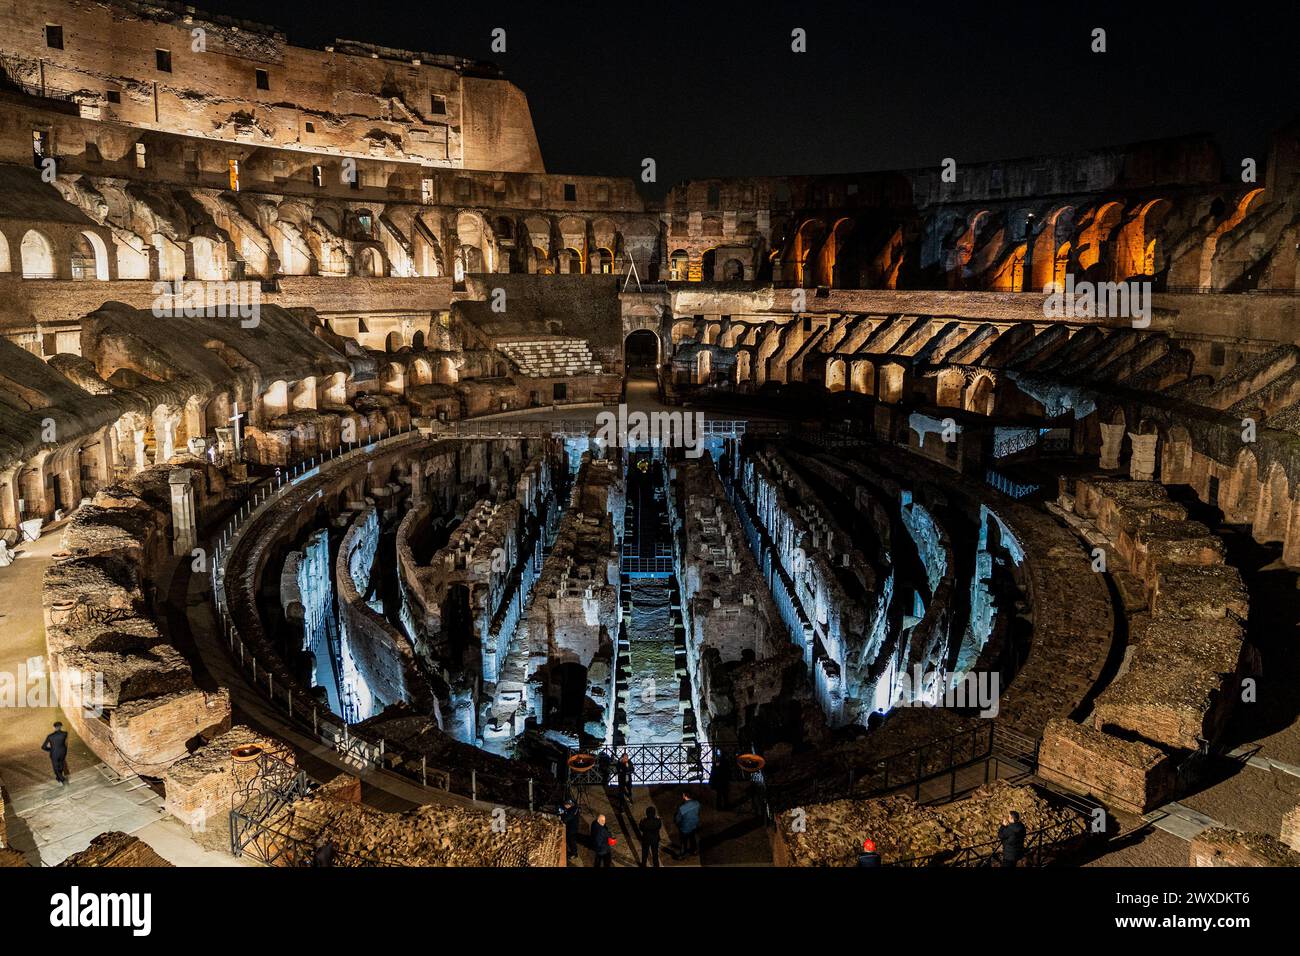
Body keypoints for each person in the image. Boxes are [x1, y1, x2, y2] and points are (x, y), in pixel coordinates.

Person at [674, 791, 701, 857]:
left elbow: (677, 819)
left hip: (684, 827)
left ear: (685, 796)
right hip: (694, 825)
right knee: (692, 838)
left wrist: (678, 824)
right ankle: (694, 850)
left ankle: (683, 853)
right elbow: (698, 813)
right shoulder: (697, 803)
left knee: (683, 841)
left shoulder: (682, 808)